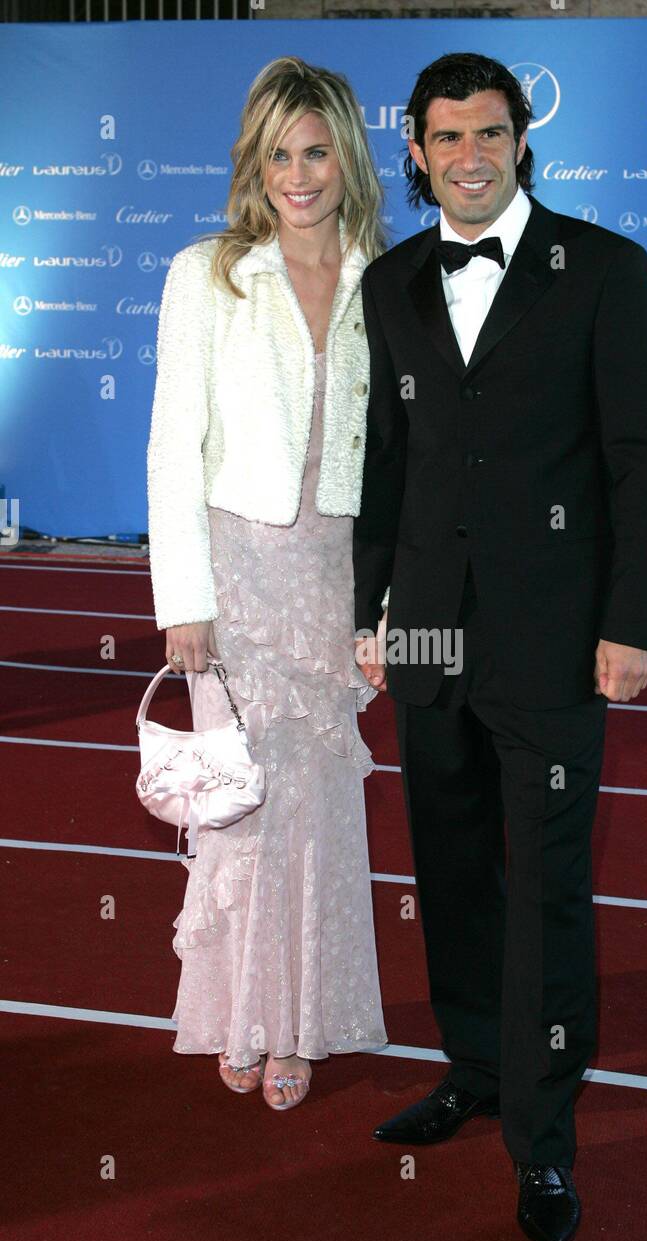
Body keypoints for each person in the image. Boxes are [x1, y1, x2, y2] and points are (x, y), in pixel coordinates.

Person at [353, 52, 647, 1241]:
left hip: (555, 636)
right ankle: (476, 1066)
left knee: (544, 887)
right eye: (448, 138)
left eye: (490, 133)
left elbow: (641, 458)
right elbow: (390, 458)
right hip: (430, 627)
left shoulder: (602, 269)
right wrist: (369, 609)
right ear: (419, 152)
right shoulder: (390, 282)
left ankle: (543, 1139)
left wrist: (632, 620)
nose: (471, 157)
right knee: (449, 867)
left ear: (521, 141)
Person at [146, 56, 389, 1112]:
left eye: (317, 150)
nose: (299, 174)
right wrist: (180, 600)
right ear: (256, 162)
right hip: (237, 571)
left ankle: (301, 1023)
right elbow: (171, 446)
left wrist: (389, 606)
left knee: (322, 802)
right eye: (280, 154)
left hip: (340, 569)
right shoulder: (207, 272)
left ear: (348, 156)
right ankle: (242, 1015)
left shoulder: (392, 275)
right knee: (241, 804)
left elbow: (409, 459)